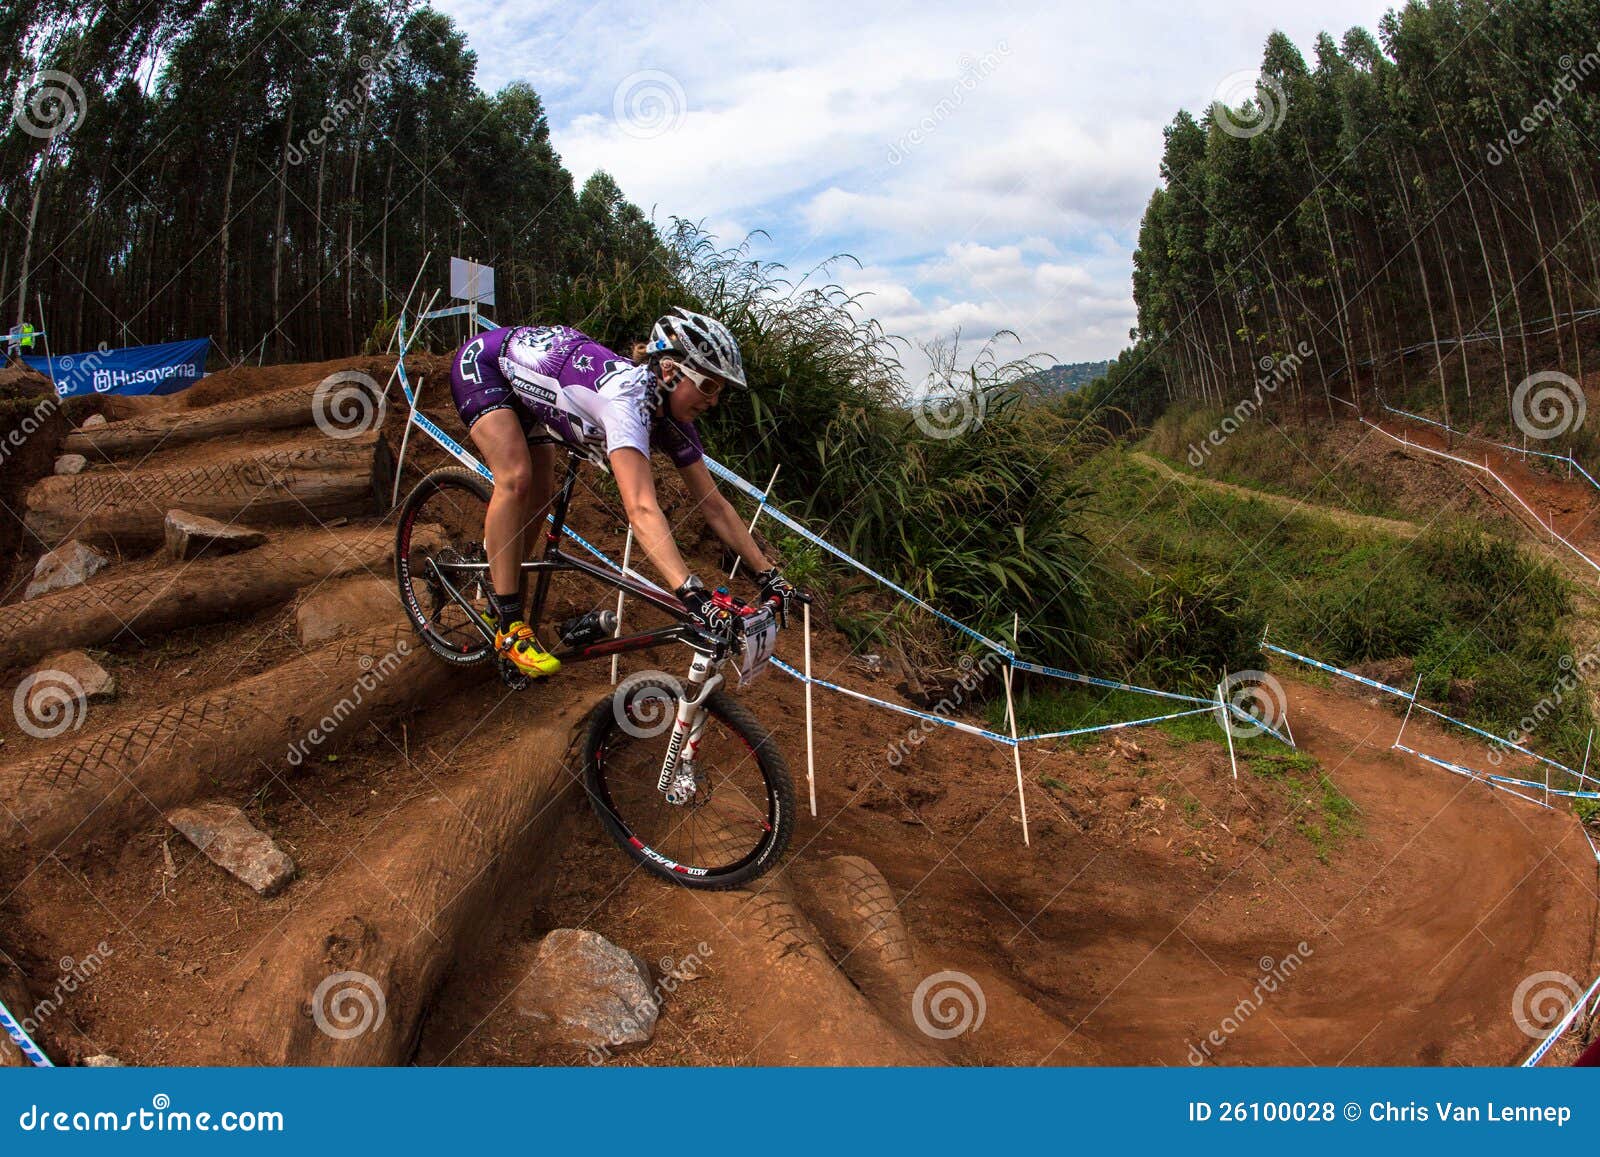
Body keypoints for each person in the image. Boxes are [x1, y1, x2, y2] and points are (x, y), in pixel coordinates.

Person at [447, 307, 810, 679]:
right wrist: (690, 593)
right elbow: (641, 508)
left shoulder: (669, 413)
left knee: (542, 492)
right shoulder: (627, 404)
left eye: (720, 390)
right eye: (709, 386)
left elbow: (713, 504)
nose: (713, 400)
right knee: (517, 478)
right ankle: (508, 623)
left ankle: (498, 593)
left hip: (538, 385)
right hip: (487, 365)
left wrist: (769, 574)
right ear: (669, 371)